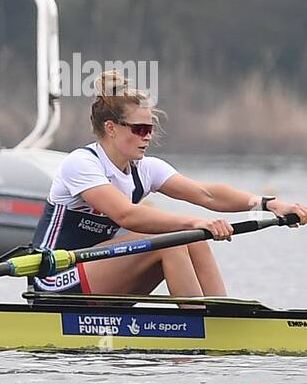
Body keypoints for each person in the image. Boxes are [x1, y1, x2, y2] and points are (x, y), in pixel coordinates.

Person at [31, 70, 307, 297]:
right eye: (139, 129)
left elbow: (208, 195)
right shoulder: (81, 163)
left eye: (150, 129)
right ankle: (201, 324)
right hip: (54, 279)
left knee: (195, 239)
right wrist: (192, 223)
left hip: (96, 273)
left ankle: (221, 314)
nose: (147, 137)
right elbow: (125, 214)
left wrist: (267, 204)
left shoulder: (146, 169)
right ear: (111, 128)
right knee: (173, 240)